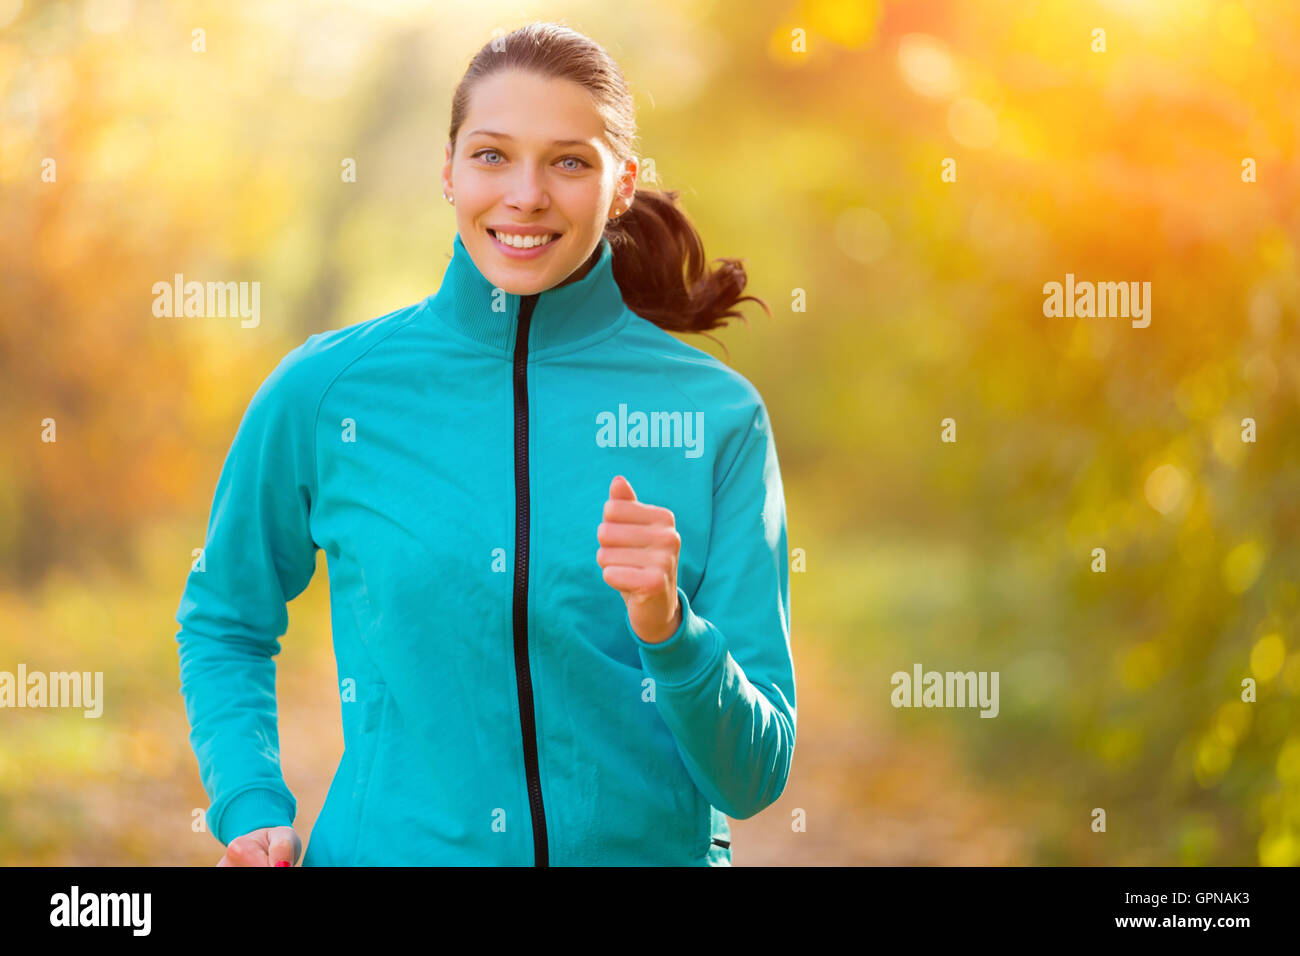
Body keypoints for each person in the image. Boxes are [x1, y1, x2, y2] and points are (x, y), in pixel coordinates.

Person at [176, 20, 795, 867]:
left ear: (621, 186)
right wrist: (250, 803)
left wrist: (670, 627)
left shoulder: (716, 416)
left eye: (570, 162)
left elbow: (754, 776)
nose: (526, 195)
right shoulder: (327, 391)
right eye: (493, 156)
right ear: (449, 170)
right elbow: (226, 616)